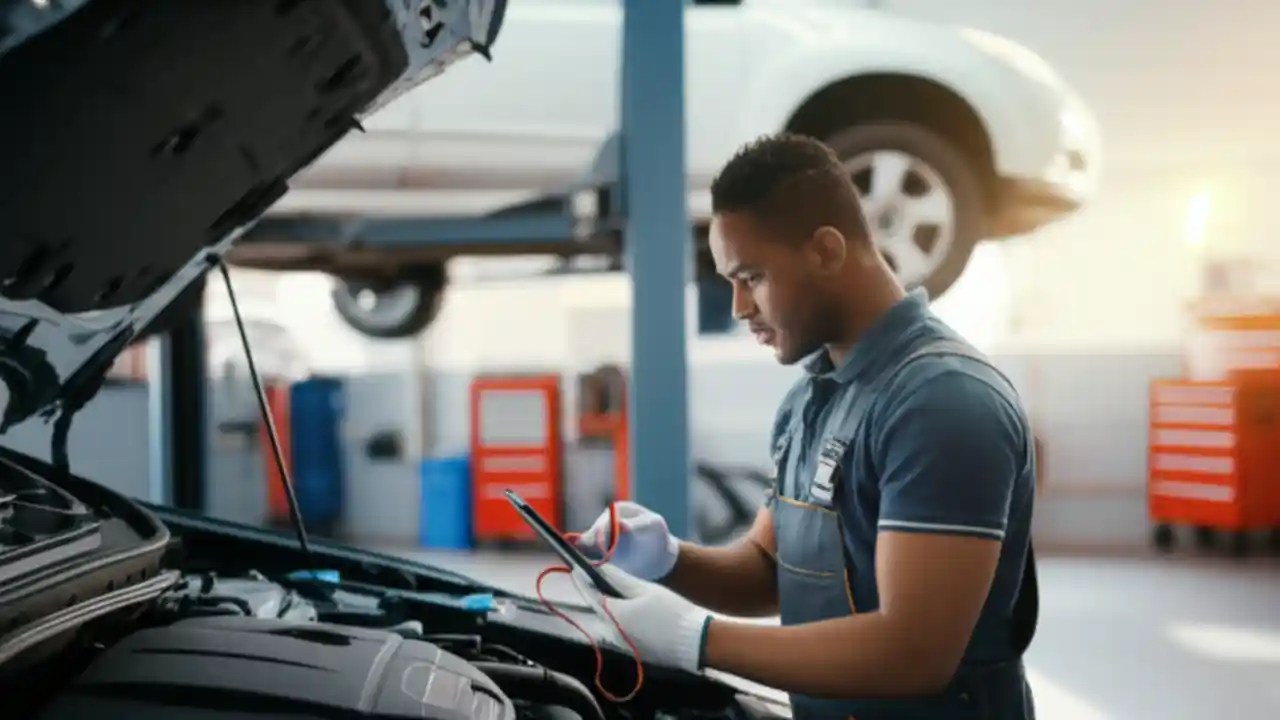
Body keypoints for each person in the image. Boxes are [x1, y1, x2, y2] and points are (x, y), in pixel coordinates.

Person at [574, 133, 1038, 720]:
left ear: (825, 250)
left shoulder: (944, 402)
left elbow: (914, 653)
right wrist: (668, 560)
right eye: (731, 282)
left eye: (753, 277)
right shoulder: (812, 397)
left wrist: (698, 638)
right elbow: (773, 572)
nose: (740, 307)